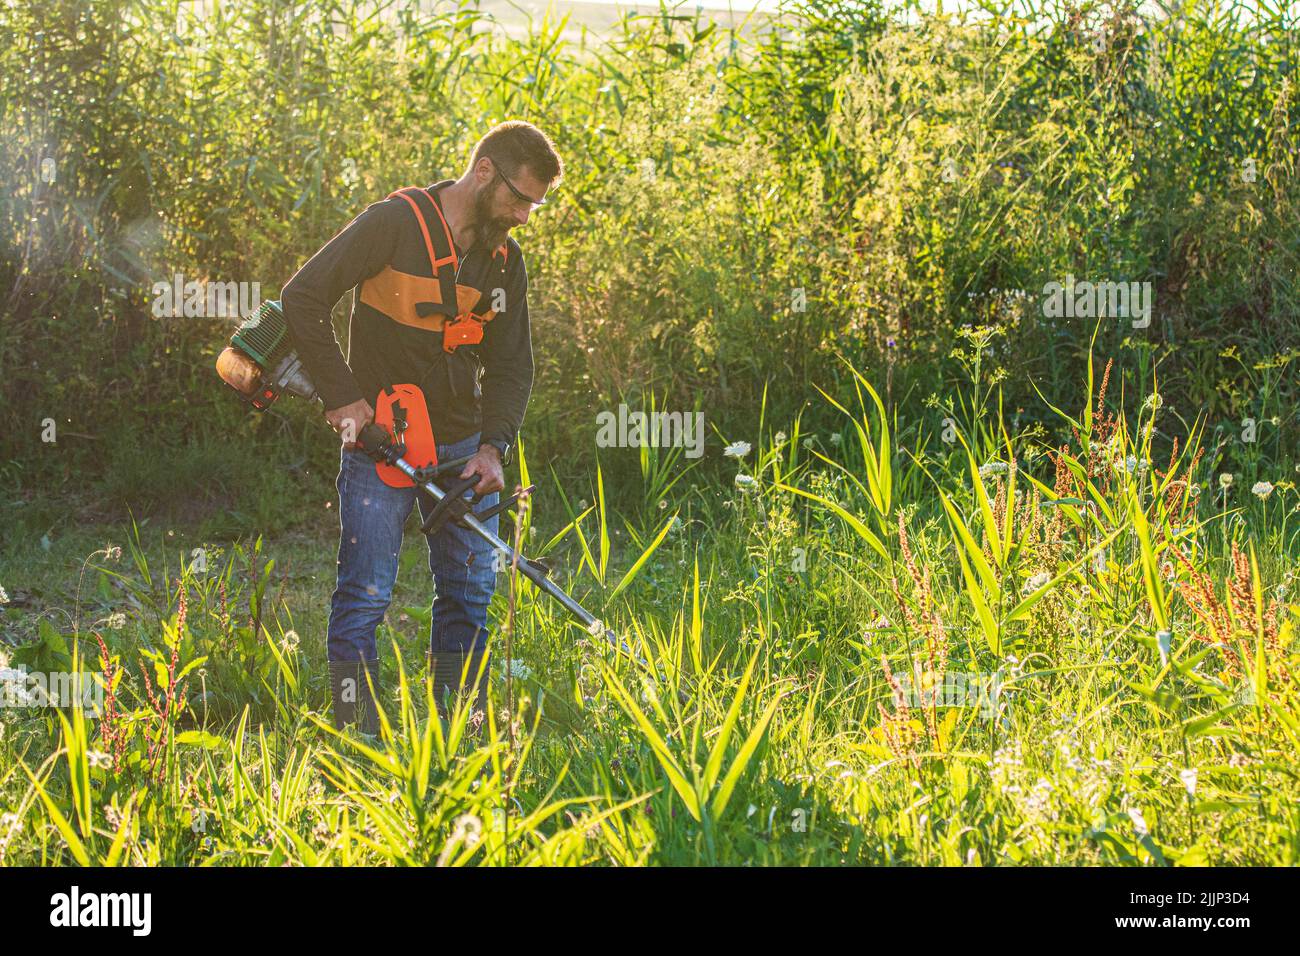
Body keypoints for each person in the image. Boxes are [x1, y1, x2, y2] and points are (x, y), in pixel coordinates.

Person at [280, 121, 563, 733]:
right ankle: (356, 731)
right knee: (365, 598)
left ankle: (458, 729)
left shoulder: (503, 262)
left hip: (463, 451)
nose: (523, 215)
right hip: (379, 445)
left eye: (534, 205)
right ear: (484, 171)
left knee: (469, 597)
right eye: (520, 198)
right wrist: (345, 398)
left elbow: (514, 367)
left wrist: (492, 450)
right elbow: (303, 296)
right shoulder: (394, 223)